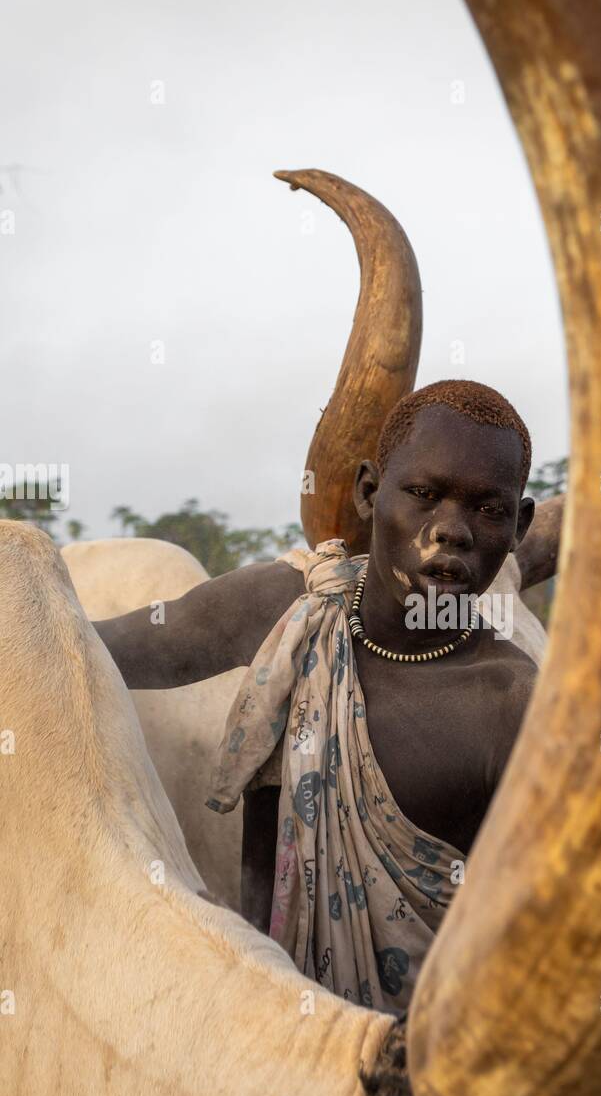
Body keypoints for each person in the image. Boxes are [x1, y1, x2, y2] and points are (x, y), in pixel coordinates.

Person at [96, 380, 538, 1009]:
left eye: (487, 509)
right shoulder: (286, 611)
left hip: (415, 1080)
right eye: (423, 494)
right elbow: (86, 651)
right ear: (368, 492)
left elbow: (540, 943)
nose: (450, 531)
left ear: (520, 525)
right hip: (261, 1041)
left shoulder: (516, 706)